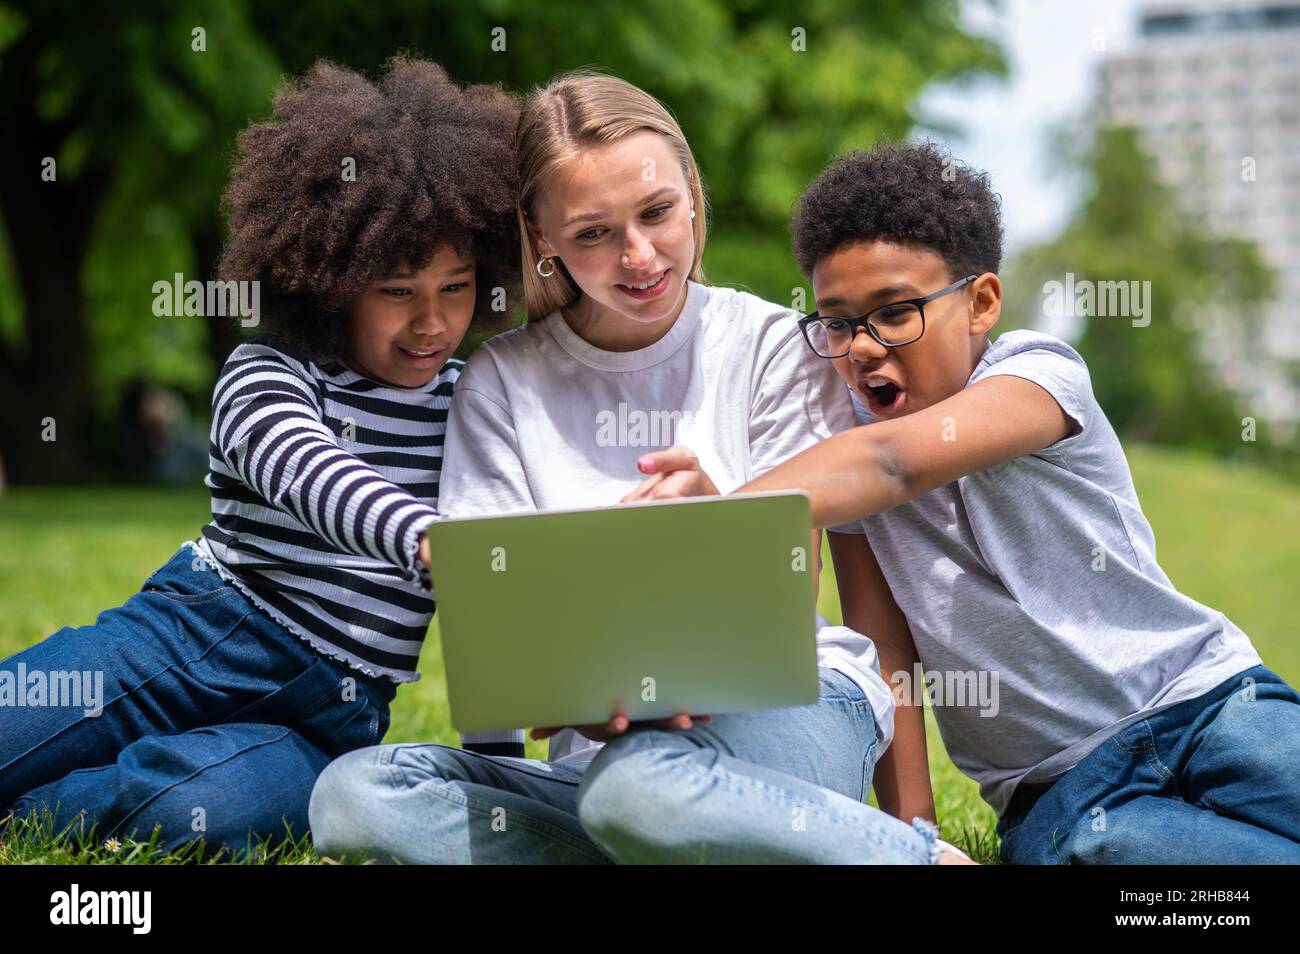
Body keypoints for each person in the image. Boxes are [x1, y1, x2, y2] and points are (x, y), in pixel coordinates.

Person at [308, 71, 971, 865]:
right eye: (592, 233)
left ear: (691, 191)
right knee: (354, 795)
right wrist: (529, 750)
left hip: (793, 708)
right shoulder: (499, 385)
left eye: (657, 212)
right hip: (599, 766)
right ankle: (675, 844)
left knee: (637, 789)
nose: (640, 255)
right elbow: (498, 627)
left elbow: (808, 596)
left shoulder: (769, 349)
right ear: (541, 236)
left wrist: (723, 519)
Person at [712, 139, 1300, 864]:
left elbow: (894, 462)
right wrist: (915, 837)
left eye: (894, 312)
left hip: (1212, 705)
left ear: (981, 302)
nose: (861, 347)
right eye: (836, 322)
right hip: (1066, 794)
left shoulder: (1040, 376)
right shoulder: (848, 457)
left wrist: (712, 524)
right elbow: (885, 650)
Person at [0, 58, 520, 855]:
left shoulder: (475, 401)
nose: (431, 323)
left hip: (331, 715)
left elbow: (493, 594)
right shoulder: (268, 371)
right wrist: (421, 537)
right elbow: (304, 467)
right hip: (193, 634)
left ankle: (40, 810)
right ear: (328, 277)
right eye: (396, 290)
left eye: (455, 289)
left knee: (188, 815)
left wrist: (499, 774)